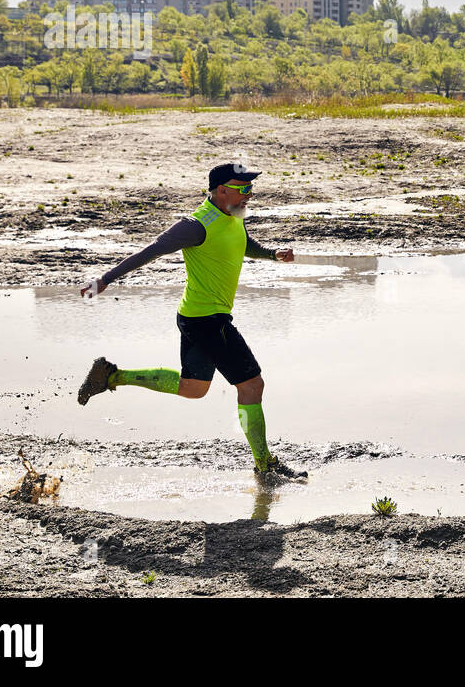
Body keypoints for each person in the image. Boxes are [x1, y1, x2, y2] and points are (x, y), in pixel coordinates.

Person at [76, 162, 307, 485]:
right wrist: (105, 280)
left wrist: (272, 254)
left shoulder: (232, 215)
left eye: (251, 189)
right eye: (243, 189)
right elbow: (151, 251)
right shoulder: (196, 224)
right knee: (252, 385)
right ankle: (264, 465)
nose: (249, 195)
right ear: (221, 189)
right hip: (207, 320)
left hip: (196, 317)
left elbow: (242, 244)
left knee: (193, 388)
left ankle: (112, 375)